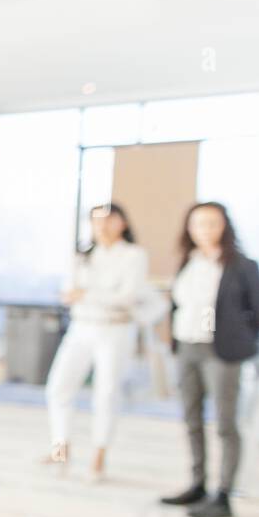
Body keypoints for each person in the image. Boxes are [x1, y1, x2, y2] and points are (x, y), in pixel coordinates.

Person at [160, 201, 259, 517]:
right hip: (187, 347)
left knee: (225, 423)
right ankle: (198, 483)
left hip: (221, 351)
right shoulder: (188, 262)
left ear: (224, 226)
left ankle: (224, 494)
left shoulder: (242, 265)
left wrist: (240, 338)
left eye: (211, 223)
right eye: (197, 223)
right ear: (189, 228)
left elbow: (255, 311)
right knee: (191, 419)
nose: (204, 229)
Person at [43, 204, 149, 481]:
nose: (101, 225)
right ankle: (60, 449)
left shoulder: (133, 255)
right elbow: (68, 291)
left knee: (106, 394)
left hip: (114, 330)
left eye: (108, 220)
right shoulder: (82, 255)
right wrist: (87, 294)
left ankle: (98, 458)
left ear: (122, 223)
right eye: (95, 220)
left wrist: (87, 293)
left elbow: (127, 296)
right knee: (58, 387)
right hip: (81, 328)